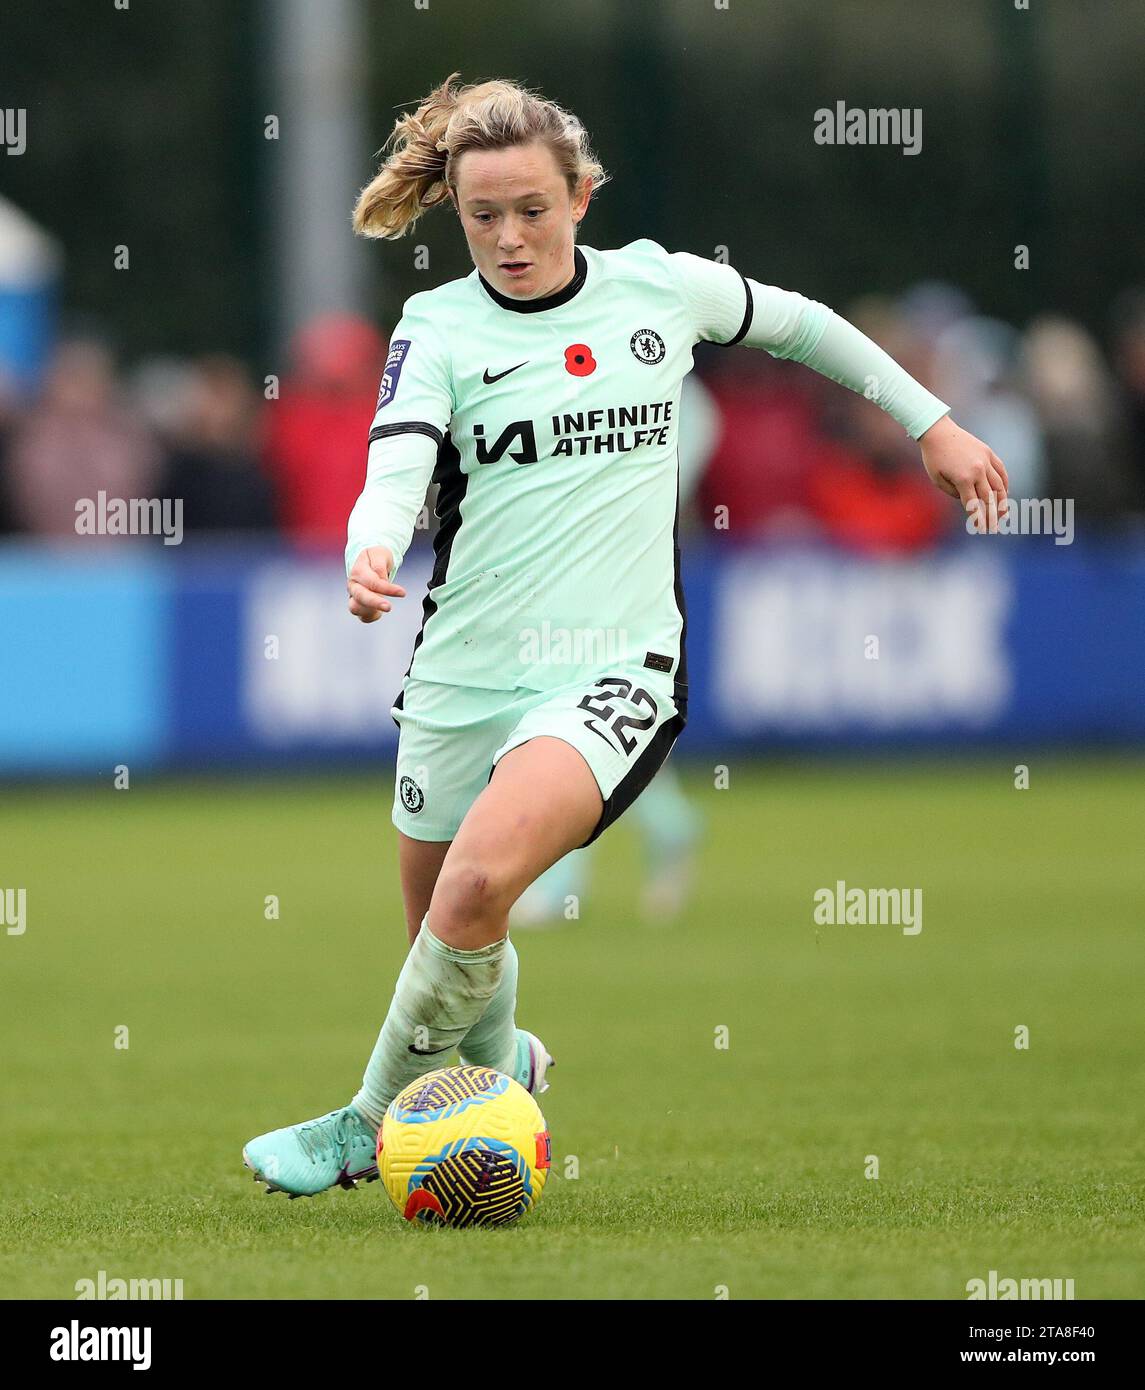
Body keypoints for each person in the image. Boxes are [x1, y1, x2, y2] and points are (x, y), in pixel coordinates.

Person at [242, 72, 1009, 1198]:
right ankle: (506, 1067)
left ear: (581, 196)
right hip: (459, 674)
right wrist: (372, 545)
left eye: (531, 210)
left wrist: (930, 422)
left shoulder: (660, 288)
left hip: (612, 668)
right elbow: (396, 459)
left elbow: (807, 327)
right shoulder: (436, 324)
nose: (507, 237)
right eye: (481, 216)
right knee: (448, 941)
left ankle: (363, 1124)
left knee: (470, 894)